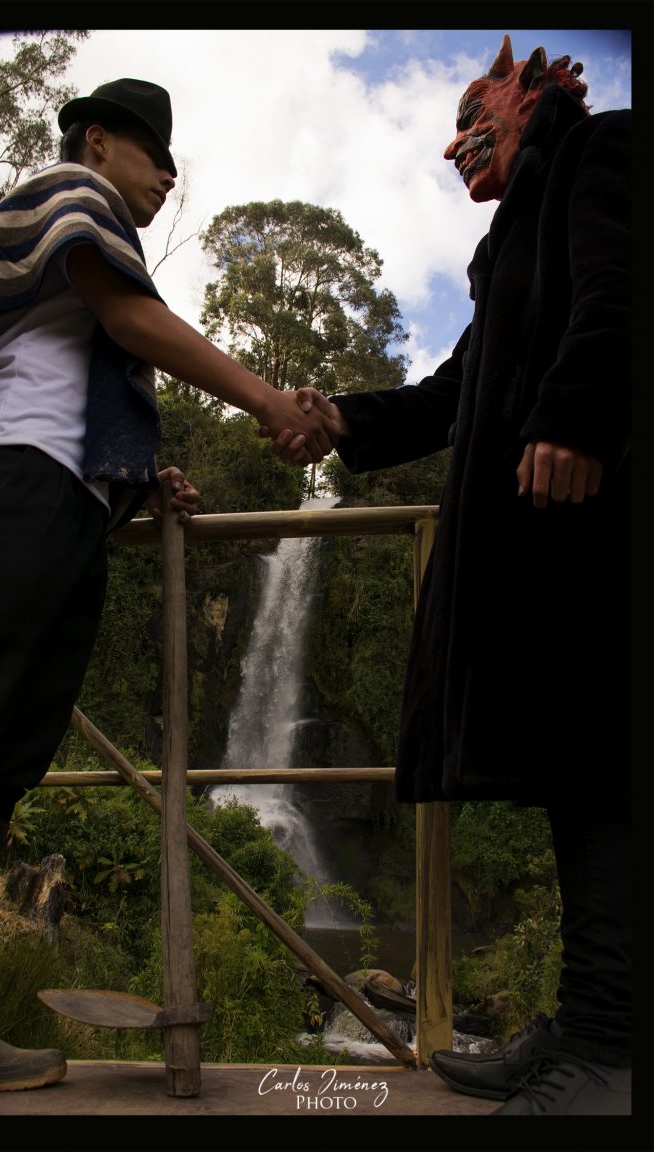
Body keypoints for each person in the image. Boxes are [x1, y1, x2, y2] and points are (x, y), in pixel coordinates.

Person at [0, 77, 340, 1116]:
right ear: (99, 142)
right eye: (156, 155)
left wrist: (134, 473)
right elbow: (128, 318)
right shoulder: (69, 193)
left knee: (2, 760)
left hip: (60, 500)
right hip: (6, 482)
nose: (168, 177)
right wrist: (271, 400)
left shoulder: (90, 218)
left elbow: (73, 364)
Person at [272, 36, 632, 1115]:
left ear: (532, 97)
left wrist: (576, 414)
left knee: (607, 778)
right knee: (580, 782)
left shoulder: (604, 153)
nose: (453, 137)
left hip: (599, 527)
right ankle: (589, 1021)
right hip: (541, 546)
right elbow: (451, 391)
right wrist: (338, 419)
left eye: (476, 106)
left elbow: (624, 287)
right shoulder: (507, 249)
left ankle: (611, 1055)